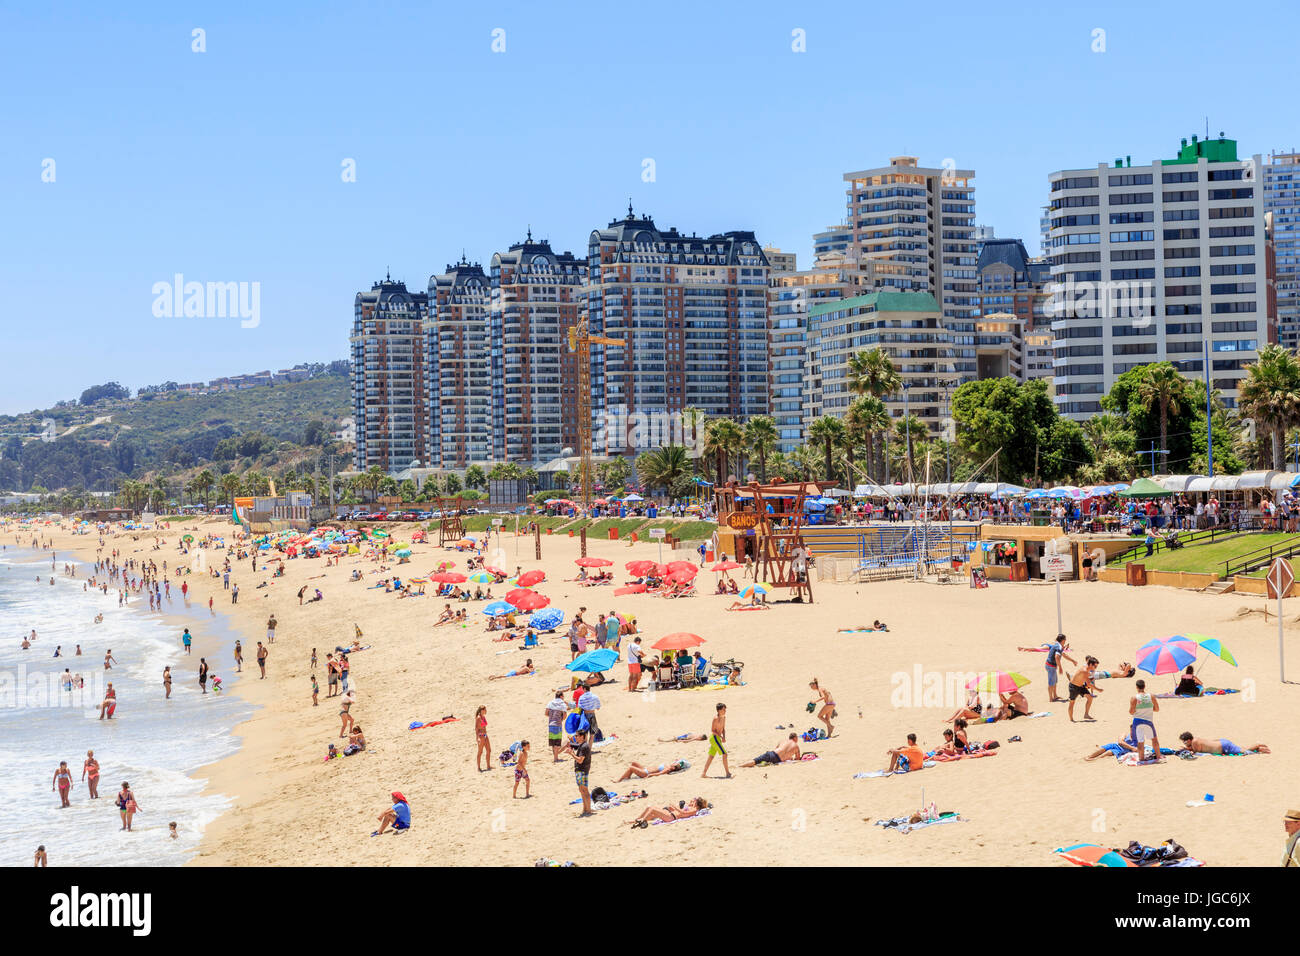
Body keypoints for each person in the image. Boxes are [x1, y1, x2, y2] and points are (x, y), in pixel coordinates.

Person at [1128, 679, 1163, 762]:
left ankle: (1141, 758)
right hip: (1148, 721)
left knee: (1140, 742)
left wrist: (1138, 709)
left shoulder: (1134, 698)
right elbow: (1157, 709)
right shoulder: (1151, 696)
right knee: (1154, 740)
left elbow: (1131, 712)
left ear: (1136, 687)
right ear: (1144, 686)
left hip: (1137, 722)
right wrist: (1149, 709)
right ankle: (1158, 756)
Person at [628, 796, 709, 828]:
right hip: (670, 814)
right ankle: (636, 820)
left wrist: (675, 807)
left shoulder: (694, 810)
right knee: (649, 807)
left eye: (694, 800)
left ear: (697, 803)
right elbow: (680, 812)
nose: (692, 801)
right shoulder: (690, 807)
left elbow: (683, 814)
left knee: (652, 810)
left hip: (671, 817)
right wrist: (673, 807)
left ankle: (642, 821)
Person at [701, 703, 731, 778]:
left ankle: (703, 774)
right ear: (719, 710)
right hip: (714, 738)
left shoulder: (724, 717)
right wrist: (720, 736)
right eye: (723, 709)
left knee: (711, 756)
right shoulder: (715, 719)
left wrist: (724, 737)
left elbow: (723, 728)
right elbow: (712, 730)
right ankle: (727, 773)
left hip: (718, 739)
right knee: (725, 754)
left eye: (725, 709)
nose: (725, 711)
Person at [1067, 657, 1101, 722]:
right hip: (1073, 686)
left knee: (1090, 698)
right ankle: (1071, 719)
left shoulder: (1087, 670)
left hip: (1081, 686)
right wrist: (1098, 689)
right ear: (1090, 664)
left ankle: (1086, 714)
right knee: (1072, 702)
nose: (1096, 668)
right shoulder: (1085, 671)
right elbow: (1089, 684)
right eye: (1095, 666)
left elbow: (1087, 681)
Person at [1044, 634, 1075, 704]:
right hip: (1051, 666)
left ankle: (1055, 695)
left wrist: (1072, 661)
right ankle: (1050, 698)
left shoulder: (1058, 645)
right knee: (1051, 682)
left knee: (1054, 681)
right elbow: (1057, 657)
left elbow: (1063, 654)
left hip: (1051, 665)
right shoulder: (1059, 646)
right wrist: (1060, 667)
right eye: (1065, 640)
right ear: (1063, 640)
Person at [1177, 733, 1270, 755]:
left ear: (1189, 740)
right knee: (1241, 749)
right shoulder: (1196, 740)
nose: (1184, 743)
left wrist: (1186, 749)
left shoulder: (1194, 742)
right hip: (1222, 743)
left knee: (1242, 751)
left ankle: (1257, 745)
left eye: (1185, 742)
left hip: (1222, 747)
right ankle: (1260, 749)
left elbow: (1196, 752)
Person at [571, 728, 594, 816]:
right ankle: (585, 809)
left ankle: (588, 810)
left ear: (582, 736)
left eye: (576, 736)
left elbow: (580, 760)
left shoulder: (584, 746)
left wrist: (572, 754)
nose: (575, 737)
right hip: (580, 770)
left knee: (584, 790)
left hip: (583, 770)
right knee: (581, 790)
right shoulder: (582, 745)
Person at [617, 759, 689, 780]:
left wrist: (650, 775)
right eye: (676, 764)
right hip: (645, 769)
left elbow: (659, 774)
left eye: (676, 766)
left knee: (631, 768)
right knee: (634, 763)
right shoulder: (669, 764)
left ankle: (619, 780)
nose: (675, 765)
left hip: (645, 773)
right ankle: (628, 776)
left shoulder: (668, 769)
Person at [475, 705, 492, 771]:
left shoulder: (483, 717)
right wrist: (477, 738)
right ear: (481, 710)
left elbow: (484, 726)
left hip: (485, 735)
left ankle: (488, 766)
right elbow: (476, 728)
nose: (486, 711)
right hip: (481, 736)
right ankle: (479, 767)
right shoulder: (478, 718)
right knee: (480, 752)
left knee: (489, 750)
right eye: (485, 710)